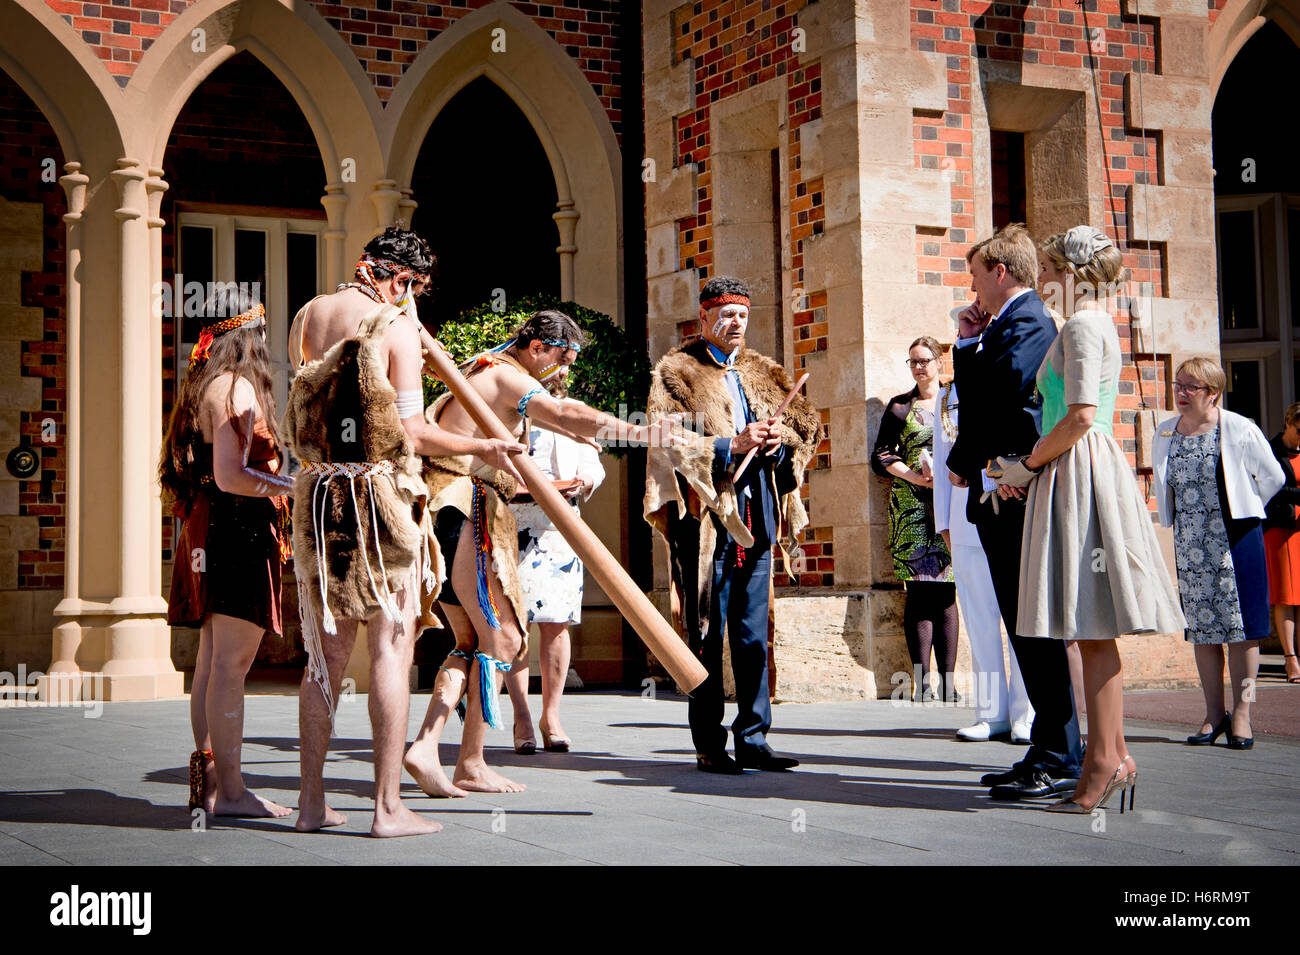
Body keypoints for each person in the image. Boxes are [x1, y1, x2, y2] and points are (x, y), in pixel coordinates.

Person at [282, 226, 525, 837]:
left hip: (317, 495)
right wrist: (484, 444)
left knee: (324, 658)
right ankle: (386, 809)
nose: (408, 293)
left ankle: (313, 806)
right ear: (376, 269)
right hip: (377, 495)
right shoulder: (396, 328)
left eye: (414, 286)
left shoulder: (308, 316)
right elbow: (413, 432)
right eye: (404, 281)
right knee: (391, 647)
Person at [402, 309, 683, 796]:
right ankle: (458, 757)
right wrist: (642, 432)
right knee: (505, 640)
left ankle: (441, 753)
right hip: (461, 510)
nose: (566, 370)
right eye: (563, 358)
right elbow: (567, 413)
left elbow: (572, 426)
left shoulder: (483, 368)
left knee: (473, 642)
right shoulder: (507, 377)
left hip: (450, 512)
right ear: (537, 347)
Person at [997, 226, 1185, 813]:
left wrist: (1024, 466)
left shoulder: (1081, 325)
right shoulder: (1095, 323)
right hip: (1081, 467)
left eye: (1051, 268)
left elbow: (1079, 416)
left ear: (1071, 273)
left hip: (1078, 469)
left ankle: (1103, 759)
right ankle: (1114, 751)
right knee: (1090, 625)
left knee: (1091, 625)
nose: (1045, 278)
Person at [644, 276, 821, 774]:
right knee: (704, 632)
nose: (735, 322)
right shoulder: (676, 373)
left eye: (743, 314)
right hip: (706, 525)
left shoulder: (762, 371)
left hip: (757, 518)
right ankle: (708, 744)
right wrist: (730, 446)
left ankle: (754, 738)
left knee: (751, 635)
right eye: (725, 313)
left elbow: (806, 427)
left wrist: (777, 442)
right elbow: (666, 442)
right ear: (703, 317)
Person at [944, 223, 1083, 801]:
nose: (972, 289)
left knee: (1035, 627)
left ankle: (1060, 753)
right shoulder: (1001, 326)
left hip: (1015, 491)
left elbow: (1006, 398)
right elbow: (982, 391)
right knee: (1024, 625)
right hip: (1000, 489)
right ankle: (1049, 748)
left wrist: (968, 460)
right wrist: (967, 344)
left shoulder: (1029, 323)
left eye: (976, 276)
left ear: (1000, 272)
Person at [160, 286, 294, 818]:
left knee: (214, 663)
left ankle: (210, 783)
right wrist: (290, 487)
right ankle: (234, 792)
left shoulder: (206, 385)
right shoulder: (237, 388)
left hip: (211, 531)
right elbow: (232, 476)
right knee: (231, 666)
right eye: (260, 331)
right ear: (247, 335)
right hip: (236, 532)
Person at [1152, 358, 1285, 750]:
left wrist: (1243, 507)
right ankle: (1213, 714)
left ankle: (1242, 714)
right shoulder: (1165, 431)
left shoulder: (1239, 428)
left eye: (1191, 387)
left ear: (1213, 393)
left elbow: (1273, 477)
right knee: (1203, 631)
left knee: (1244, 631)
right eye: (1178, 384)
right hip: (1191, 543)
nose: (1181, 392)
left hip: (1237, 538)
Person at [505, 368, 606, 754]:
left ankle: (552, 716)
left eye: (568, 364)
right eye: (557, 359)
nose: (562, 370)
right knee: (514, 627)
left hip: (558, 527)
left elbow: (594, 463)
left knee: (556, 623)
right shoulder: (504, 408)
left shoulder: (573, 410)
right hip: (508, 524)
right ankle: (522, 717)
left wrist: (585, 480)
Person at [932, 376, 1035, 742]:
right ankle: (992, 713)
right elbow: (945, 456)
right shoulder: (949, 394)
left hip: (1011, 512)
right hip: (965, 518)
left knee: (1022, 620)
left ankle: (1027, 712)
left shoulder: (1016, 380)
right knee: (979, 620)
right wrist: (943, 520)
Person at [871, 336, 958, 703]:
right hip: (910, 508)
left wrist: (945, 473)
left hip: (950, 503)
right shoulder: (899, 407)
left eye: (924, 360)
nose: (919, 367)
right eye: (913, 362)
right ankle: (921, 683)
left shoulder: (954, 400)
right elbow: (881, 455)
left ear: (939, 361)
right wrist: (912, 475)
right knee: (919, 592)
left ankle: (949, 682)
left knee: (947, 592)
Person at [1264, 402, 1300, 683]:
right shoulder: (1271, 450)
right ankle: (1290, 660)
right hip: (1283, 530)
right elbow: (1270, 487)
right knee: (1286, 597)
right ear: (1287, 423)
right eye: (1299, 430)